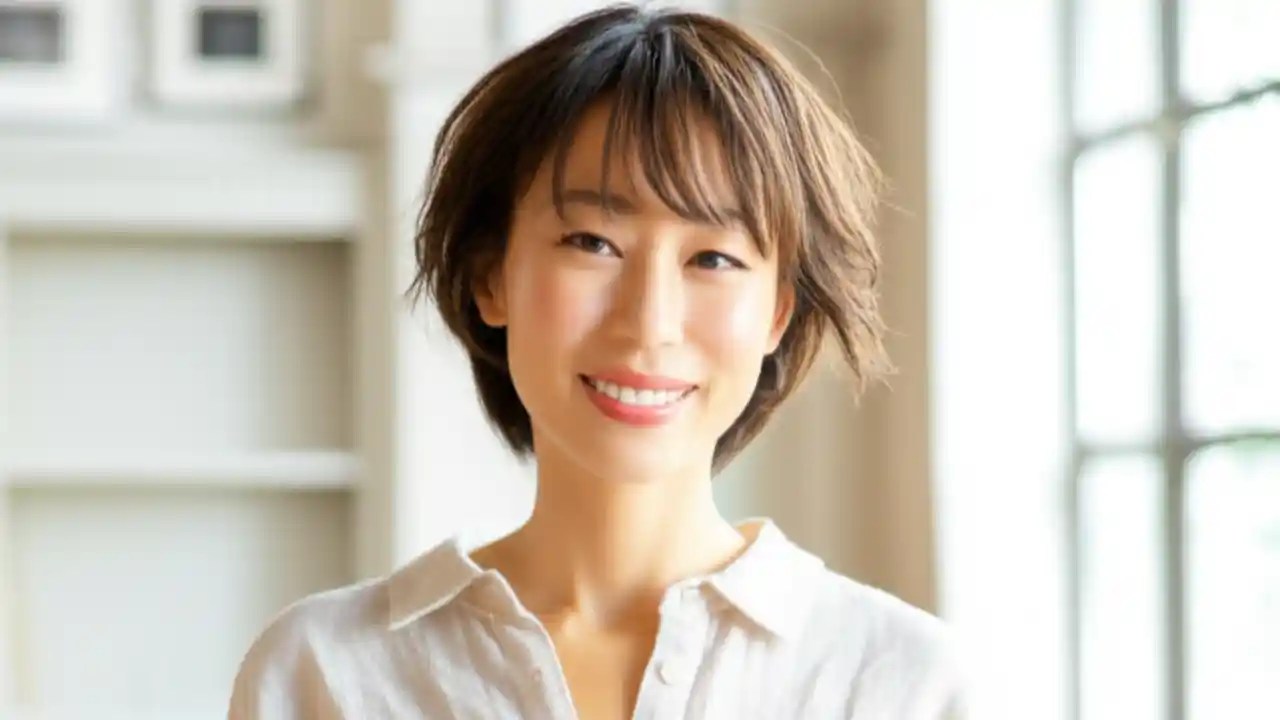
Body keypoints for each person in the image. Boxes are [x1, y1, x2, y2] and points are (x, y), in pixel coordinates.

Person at [228, 4, 963, 719]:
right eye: (592, 244)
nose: (648, 322)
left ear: (778, 312)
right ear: (492, 276)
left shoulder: (899, 679)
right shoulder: (324, 671)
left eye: (712, 258)